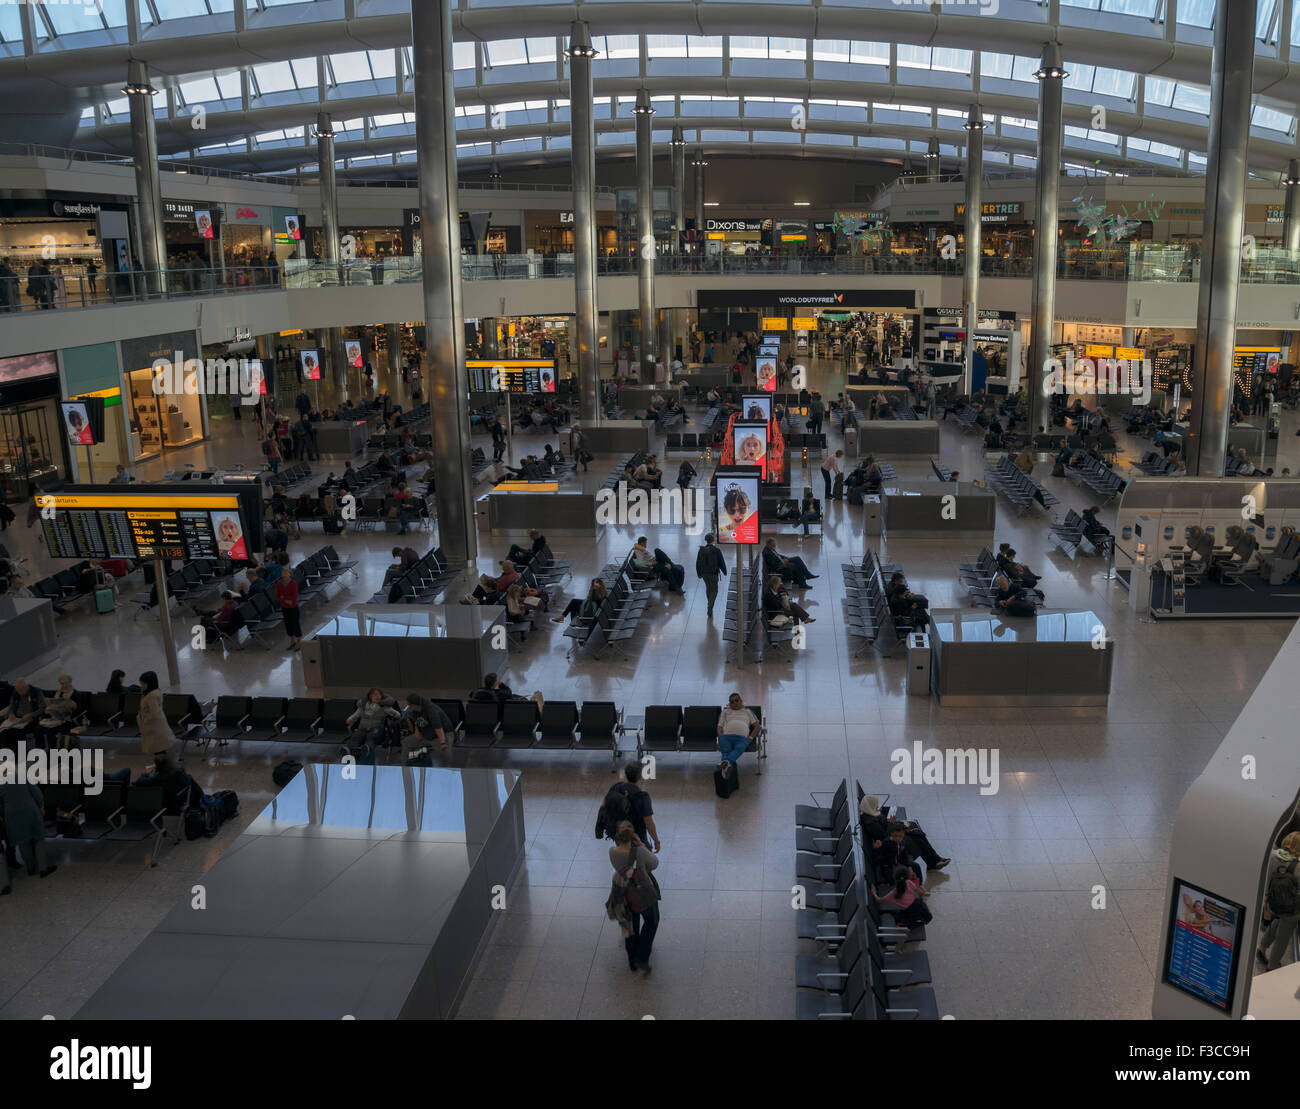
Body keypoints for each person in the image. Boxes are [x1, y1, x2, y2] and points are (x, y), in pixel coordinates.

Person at [608, 821, 660, 973]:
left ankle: (632, 962)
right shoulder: (639, 852)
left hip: (624, 894)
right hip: (643, 894)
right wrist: (642, 846)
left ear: (617, 835)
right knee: (652, 921)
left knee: (630, 927)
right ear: (633, 835)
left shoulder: (612, 852)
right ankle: (642, 958)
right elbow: (655, 864)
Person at [859, 796, 949, 873]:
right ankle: (933, 862)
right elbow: (883, 836)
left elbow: (884, 828)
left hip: (892, 835)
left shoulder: (870, 814)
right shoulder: (870, 823)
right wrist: (891, 823)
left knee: (917, 834)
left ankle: (934, 861)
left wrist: (890, 822)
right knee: (917, 838)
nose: (877, 806)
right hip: (890, 843)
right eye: (875, 804)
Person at [0, 781, 56, 894]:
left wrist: (4, 815)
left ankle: (30, 868)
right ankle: (43, 868)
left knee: (23, 841)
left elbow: (0, 806)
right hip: (30, 810)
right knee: (38, 838)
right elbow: (37, 793)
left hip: (12, 815)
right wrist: (41, 806)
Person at [1258, 831, 1300, 970]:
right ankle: (1273, 963)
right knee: (1284, 933)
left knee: (1277, 920)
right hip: (1289, 906)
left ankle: (1262, 947)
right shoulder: (1297, 866)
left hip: (1270, 900)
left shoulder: (1271, 855)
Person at [716, 692, 759, 779]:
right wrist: (721, 736)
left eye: (737, 700)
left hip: (742, 738)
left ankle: (725, 765)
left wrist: (750, 738)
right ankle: (727, 766)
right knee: (725, 750)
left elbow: (757, 727)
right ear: (729, 703)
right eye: (732, 702)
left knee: (738, 748)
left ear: (741, 701)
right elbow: (719, 727)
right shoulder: (725, 712)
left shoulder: (748, 711)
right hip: (726, 737)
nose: (735, 703)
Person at [400, 692, 452, 759]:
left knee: (444, 752)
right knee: (406, 742)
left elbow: (438, 726)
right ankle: (404, 766)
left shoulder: (431, 709)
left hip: (441, 734)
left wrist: (442, 743)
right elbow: (416, 721)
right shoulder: (414, 710)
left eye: (409, 705)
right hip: (427, 734)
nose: (408, 706)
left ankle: (447, 767)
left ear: (414, 705)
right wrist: (417, 732)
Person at [136, 671, 174, 756]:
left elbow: (154, 712)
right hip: (155, 725)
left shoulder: (152, 696)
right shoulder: (152, 692)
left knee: (158, 748)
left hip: (153, 726)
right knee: (159, 748)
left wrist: (145, 720)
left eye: (143, 684)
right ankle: (161, 765)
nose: (142, 686)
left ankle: (162, 766)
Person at [695, 533, 728, 619]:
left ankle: (710, 603)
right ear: (713, 540)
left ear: (706, 540)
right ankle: (710, 606)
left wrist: (699, 573)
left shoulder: (701, 550)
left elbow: (698, 562)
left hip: (704, 574)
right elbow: (721, 561)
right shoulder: (716, 550)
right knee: (714, 591)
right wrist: (724, 571)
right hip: (713, 574)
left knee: (708, 588)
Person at [275, 553, 302, 650]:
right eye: (283, 572)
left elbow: (294, 598)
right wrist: (286, 599)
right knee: (288, 624)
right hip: (285, 608)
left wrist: (283, 598)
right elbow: (277, 597)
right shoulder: (279, 584)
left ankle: (299, 641)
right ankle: (292, 641)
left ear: (289, 574)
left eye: (286, 572)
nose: (283, 573)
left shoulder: (293, 583)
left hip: (293, 608)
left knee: (295, 624)